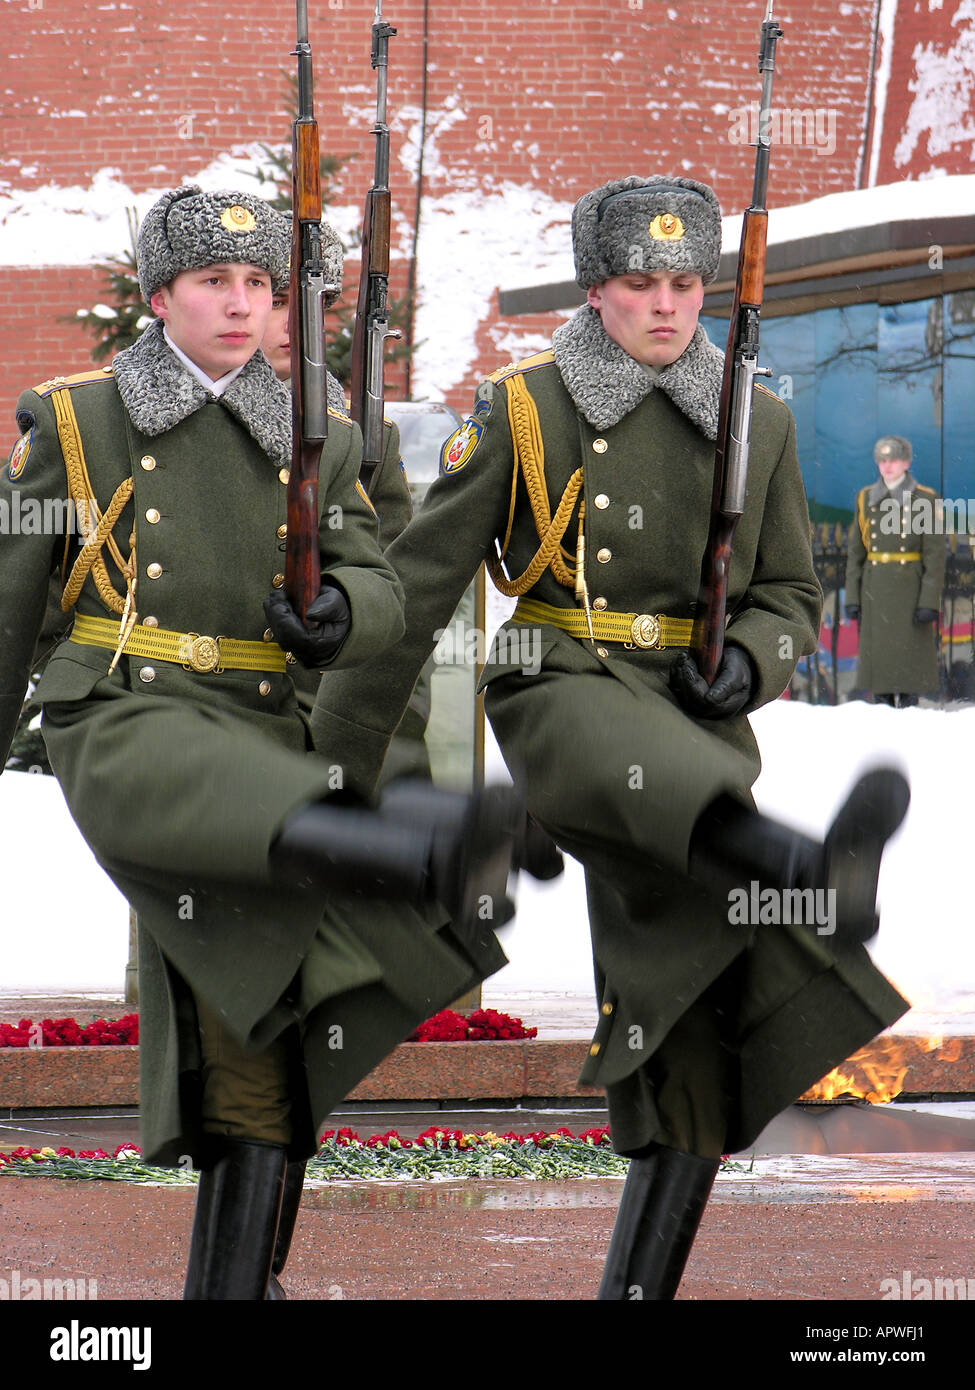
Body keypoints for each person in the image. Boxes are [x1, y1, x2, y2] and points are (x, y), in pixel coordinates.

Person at [311, 175, 912, 1300]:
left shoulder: (756, 416)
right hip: (561, 678)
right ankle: (802, 866)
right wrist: (336, 755)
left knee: (684, 1027)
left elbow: (788, 593)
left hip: (692, 715)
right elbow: (428, 576)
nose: (668, 306)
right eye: (642, 284)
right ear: (596, 289)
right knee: (623, 754)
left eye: (687, 284)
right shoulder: (527, 408)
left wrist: (752, 661)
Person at [0, 184, 530, 1300]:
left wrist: (341, 613)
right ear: (159, 298)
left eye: (258, 286)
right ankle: (395, 846)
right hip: (130, 721)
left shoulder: (318, 428)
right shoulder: (79, 419)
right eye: (212, 283)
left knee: (269, 1026)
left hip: (265, 735)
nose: (241, 306)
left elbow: (380, 580)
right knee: (248, 944)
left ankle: (234, 1286)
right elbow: (11, 599)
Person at [845, 436, 946, 707]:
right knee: (880, 674)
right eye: (883, 460)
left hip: (910, 594)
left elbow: (935, 557)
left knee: (908, 673)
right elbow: (856, 553)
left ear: (907, 463)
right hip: (874, 591)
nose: (887, 466)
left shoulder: (924, 499)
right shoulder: (865, 498)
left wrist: (929, 602)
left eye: (894, 460)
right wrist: (853, 598)